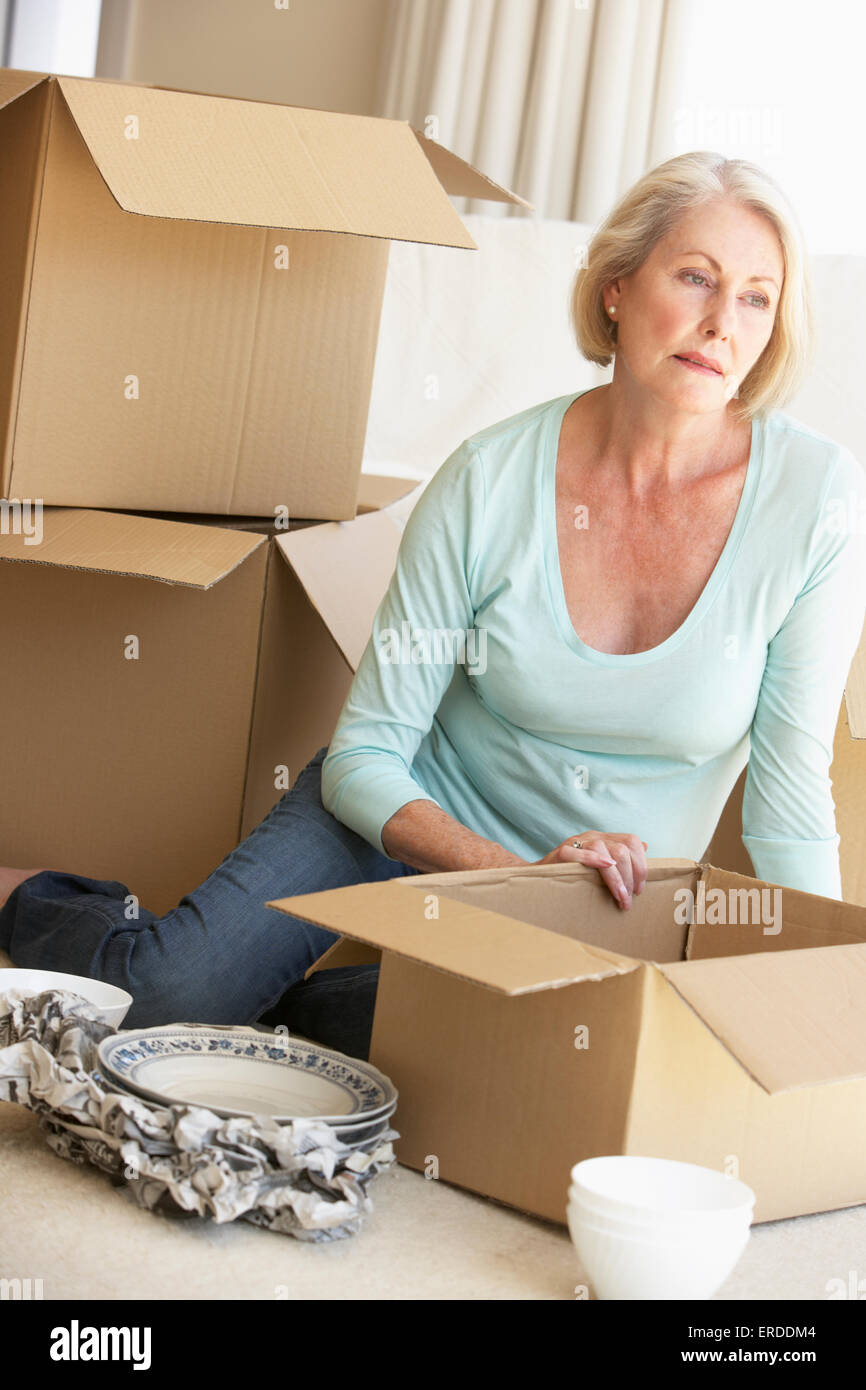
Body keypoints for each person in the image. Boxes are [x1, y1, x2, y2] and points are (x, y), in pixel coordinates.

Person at [2, 151, 864, 1059]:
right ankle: (36, 903)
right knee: (164, 1002)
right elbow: (368, 756)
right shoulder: (488, 478)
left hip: (603, 909)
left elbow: (788, 801)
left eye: (758, 298)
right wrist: (517, 877)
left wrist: (835, 985)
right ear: (617, 288)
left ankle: (260, 1007)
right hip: (412, 810)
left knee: (533, 1058)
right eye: (696, 277)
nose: (722, 323)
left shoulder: (815, 502)